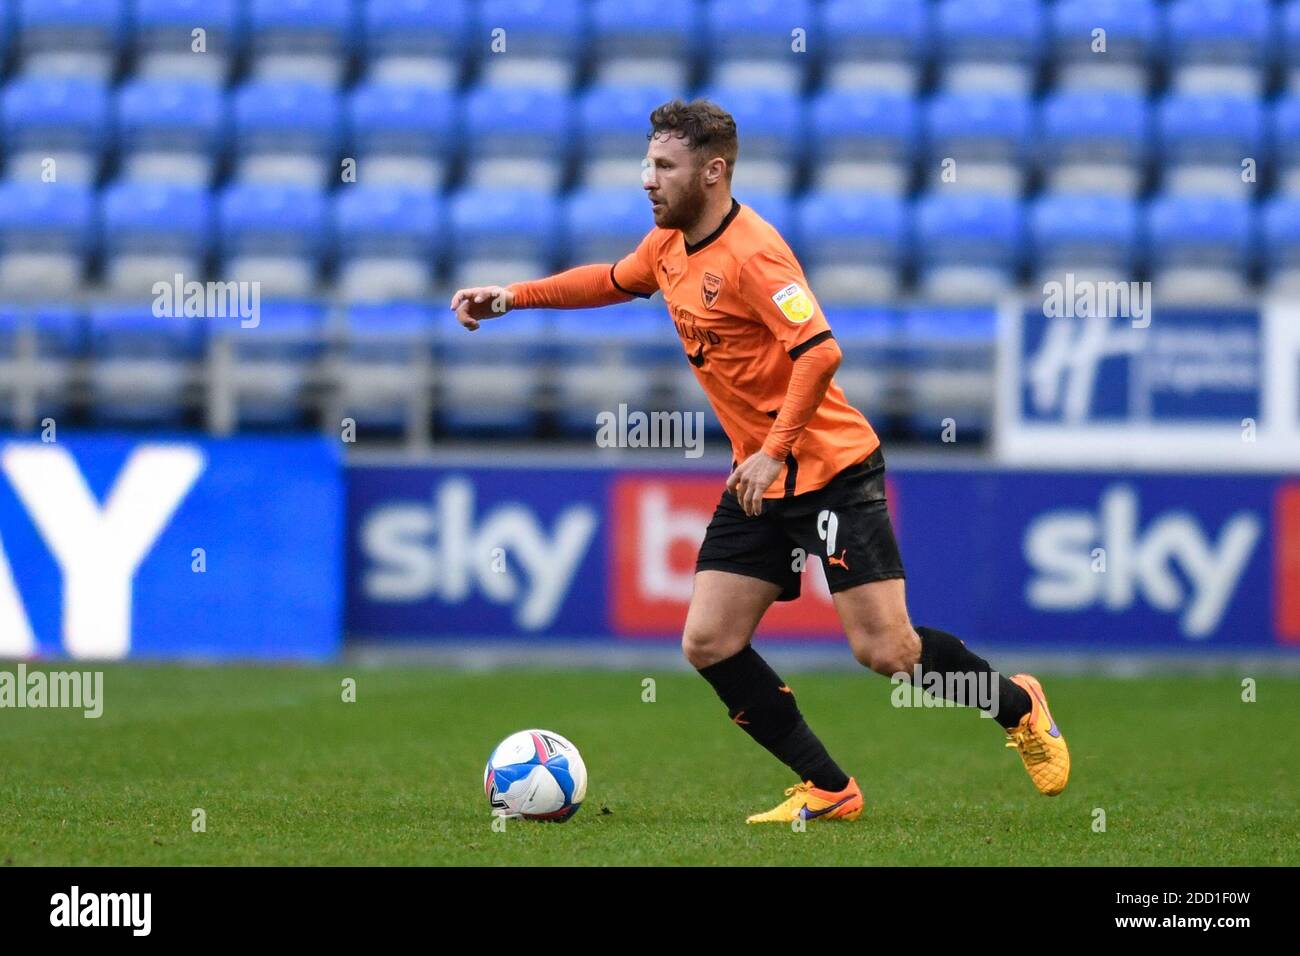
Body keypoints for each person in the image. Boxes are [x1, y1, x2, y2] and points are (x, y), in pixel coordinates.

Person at [451, 98, 1069, 823]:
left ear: (713, 172)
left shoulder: (754, 254)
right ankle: (830, 788)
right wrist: (512, 297)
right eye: (648, 164)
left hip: (830, 472)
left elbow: (821, 352)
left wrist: (774, 452)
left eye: (665, 167)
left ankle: (1016, 704)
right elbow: (611, 280)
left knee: (888, 653)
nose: (648, 179)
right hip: (759, 480)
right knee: (709, 641)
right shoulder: (667, 245)